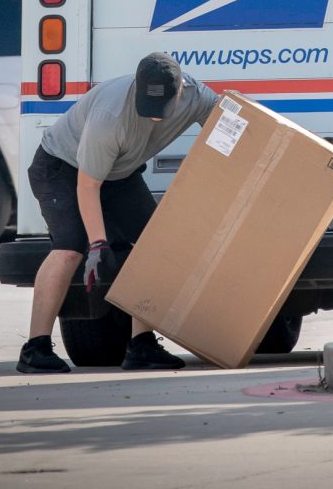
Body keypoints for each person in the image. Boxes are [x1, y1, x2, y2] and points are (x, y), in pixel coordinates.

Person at [17, 52, 218, 374]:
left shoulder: (199, 97)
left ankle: (142, 346)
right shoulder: (110, 115)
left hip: (119, 176)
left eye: (162, 108)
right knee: (70, 246)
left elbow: (231, 128)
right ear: (137, 87)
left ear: (182, 89)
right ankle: (35, 348)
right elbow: (88, 185)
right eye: (148, 107)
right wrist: (98, 243)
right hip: (62, 169)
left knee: (156, 247)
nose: (155, 116)